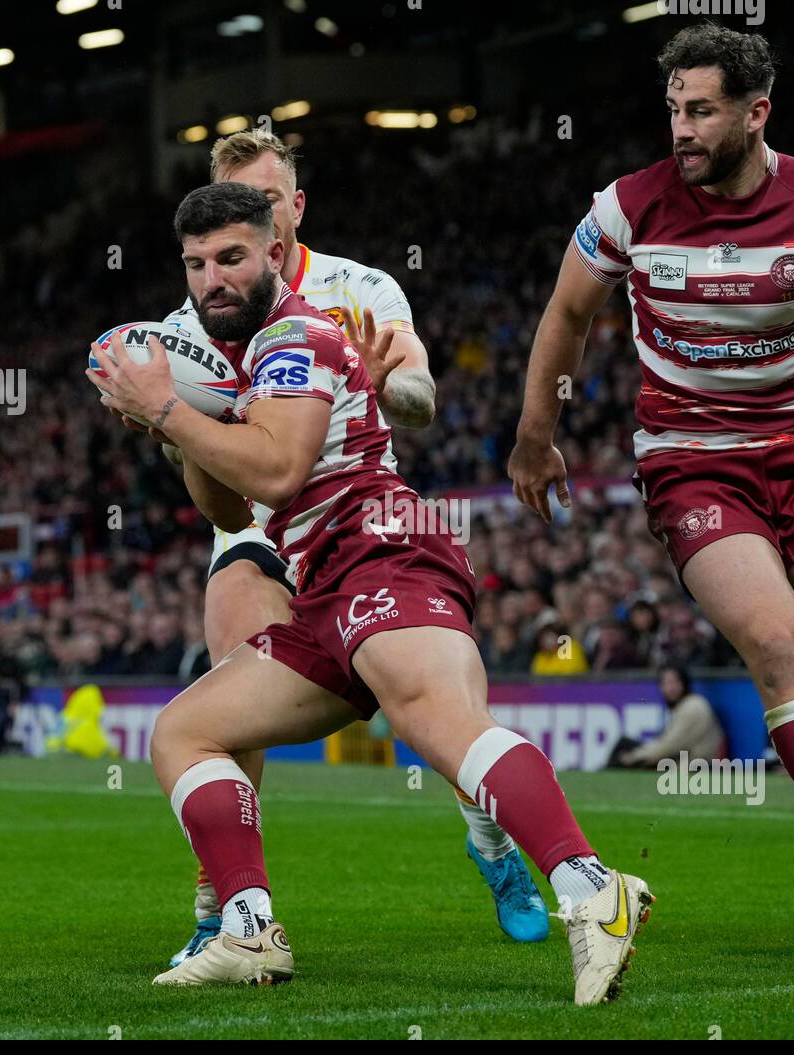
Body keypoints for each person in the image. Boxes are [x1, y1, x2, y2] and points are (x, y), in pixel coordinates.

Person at [87, 182, 652, 1004]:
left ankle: (591, 888)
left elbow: (281, 470)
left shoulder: (295, 335)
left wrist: (168, 407)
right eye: (196, 264)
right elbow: (233, 507)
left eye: (232, 257)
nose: (212, 278)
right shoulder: (241, 359)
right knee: (184, 731)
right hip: (323, 586)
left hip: (381, 551)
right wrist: (175, 435)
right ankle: (249, 929)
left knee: (439, 721)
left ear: (274, 254)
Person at [508, 22, 794, 949]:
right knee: (779, 642)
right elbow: (566, 315)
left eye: (701, 111)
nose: (683, 129)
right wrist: (535, 438)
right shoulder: (627, 208)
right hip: (691, 463)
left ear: (756, 111)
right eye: (673, 110)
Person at [159, 130, 546, 965]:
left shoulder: (359, 289)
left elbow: (422, 397)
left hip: (356, 516)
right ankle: (230, 907)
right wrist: (168, 429)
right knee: (230, 689)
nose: (243, 223)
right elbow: (201, 464)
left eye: (260, 203)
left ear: (292, 209)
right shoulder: (191, 318)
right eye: (228, 204)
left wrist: (373, 381)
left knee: (434, 707)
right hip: (260, 528)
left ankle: (491, 837)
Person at [607, 667, 724, 769]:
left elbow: (669, 747)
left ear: (684, 683)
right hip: (682, 759)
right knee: (625, 743)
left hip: (696, 765)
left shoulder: (693, 707)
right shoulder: (684, 706)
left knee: (625, 752)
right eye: (665, 683)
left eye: (673, 682)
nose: (670, 688)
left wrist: (634, 757)